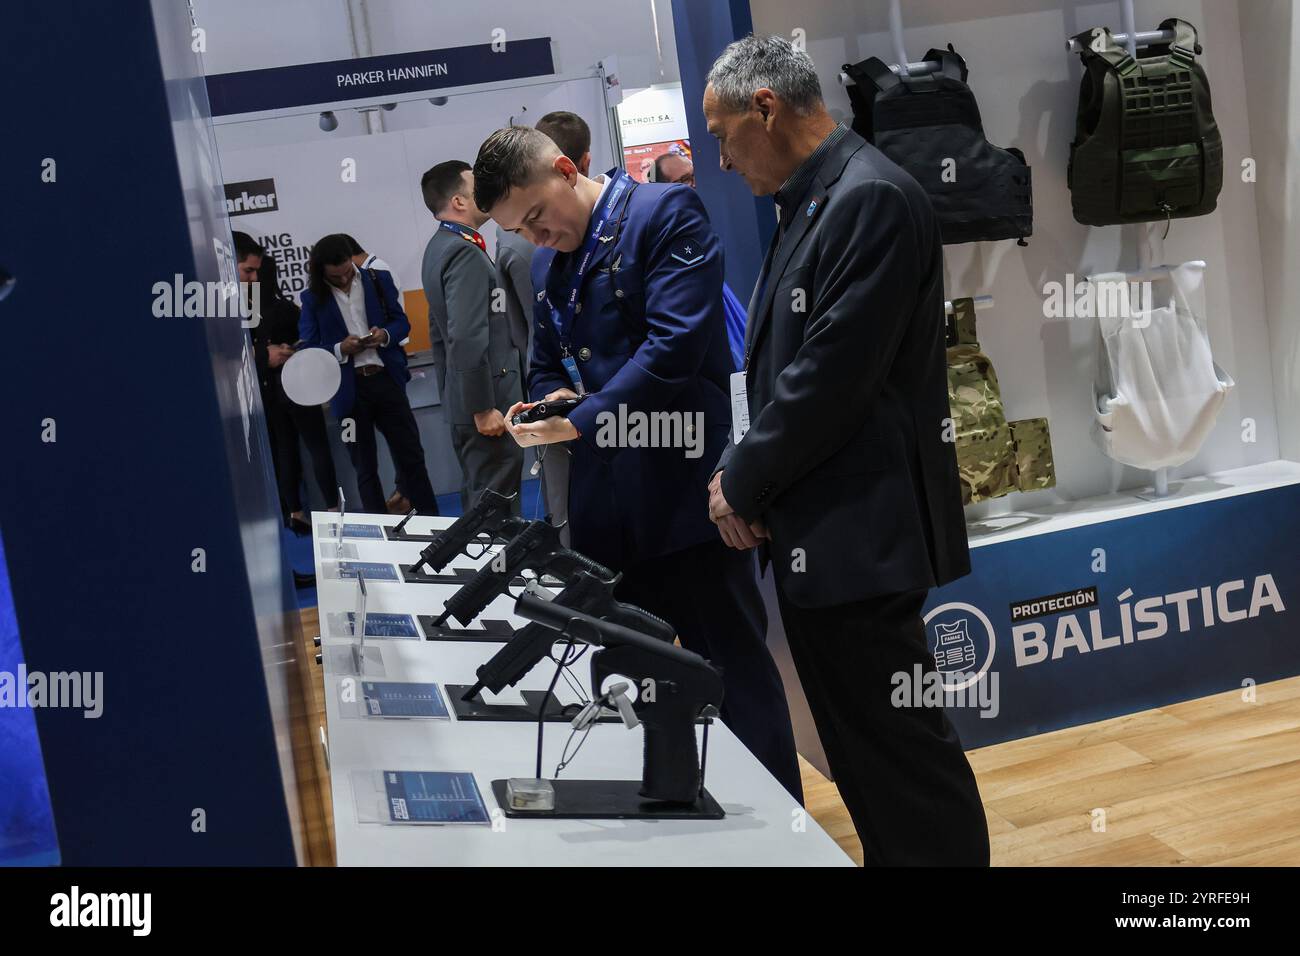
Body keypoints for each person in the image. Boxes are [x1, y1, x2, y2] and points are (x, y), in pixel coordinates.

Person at [701, 34, 988, 865]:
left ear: (766, 108)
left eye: (722, 133)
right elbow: (783, 369)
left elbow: (832, 377)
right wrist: (742, 471)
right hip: (822, 531)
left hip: (860, 533)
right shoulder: (816, 197)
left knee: (903, 757)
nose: (720, 159)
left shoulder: (871, 197)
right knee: (864, 756)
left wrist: (741, 482)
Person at [472, 125, 802, 800]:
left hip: (686, 492)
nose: (535, 238)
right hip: (608, 510)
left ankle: (782, 821)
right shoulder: (543, 263)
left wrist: (582, 417)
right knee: (636, 678)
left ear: (566, 170)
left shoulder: (664, 214)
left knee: (730, 668)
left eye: (536, 217)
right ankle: (675, 810)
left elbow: (675, 346)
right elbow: (547, 357)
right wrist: (538, 406)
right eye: (519, 230)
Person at [299, 233, 439, 517]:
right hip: (348, 391)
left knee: (411, 456)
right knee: (364, 466)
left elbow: (401, 322)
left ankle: (431, 523)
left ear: (352, 262)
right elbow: (310, 346)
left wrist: (385, 335)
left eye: (348, 273)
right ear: (321, 272)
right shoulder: (312, 299)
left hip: (386, 380)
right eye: (335, 278)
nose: (344, 280)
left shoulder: (377, 280)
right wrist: (340, 348)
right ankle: (380, 532)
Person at [419, 160, 526, 512]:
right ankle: (497, 569)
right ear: (459, 202)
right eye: (476, 186)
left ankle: (494, 566)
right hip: (488, 403)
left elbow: (443, 336)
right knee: (495, 507)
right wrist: (481, 407)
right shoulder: (461, 251)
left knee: (486, 499)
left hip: (471, 399)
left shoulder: (442, 246)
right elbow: (464, 336)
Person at [236, 232, 340, 534]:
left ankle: (295, 511)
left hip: (268, 391)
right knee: (317, 446)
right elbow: (307, 341)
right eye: (248, 271)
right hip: (299, 386)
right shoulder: (286, 308)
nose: (253, 278)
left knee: (285, 450)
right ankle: (333, 509)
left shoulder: (245, 313)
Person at [339, 234, 412, 513]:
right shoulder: (375, 270)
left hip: (387, 364)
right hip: (365, 373)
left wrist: (379, 336)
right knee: (377, 450)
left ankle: (405, 493)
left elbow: (398, 321)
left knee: (401, 441)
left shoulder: (377, 273)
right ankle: (402, 491)